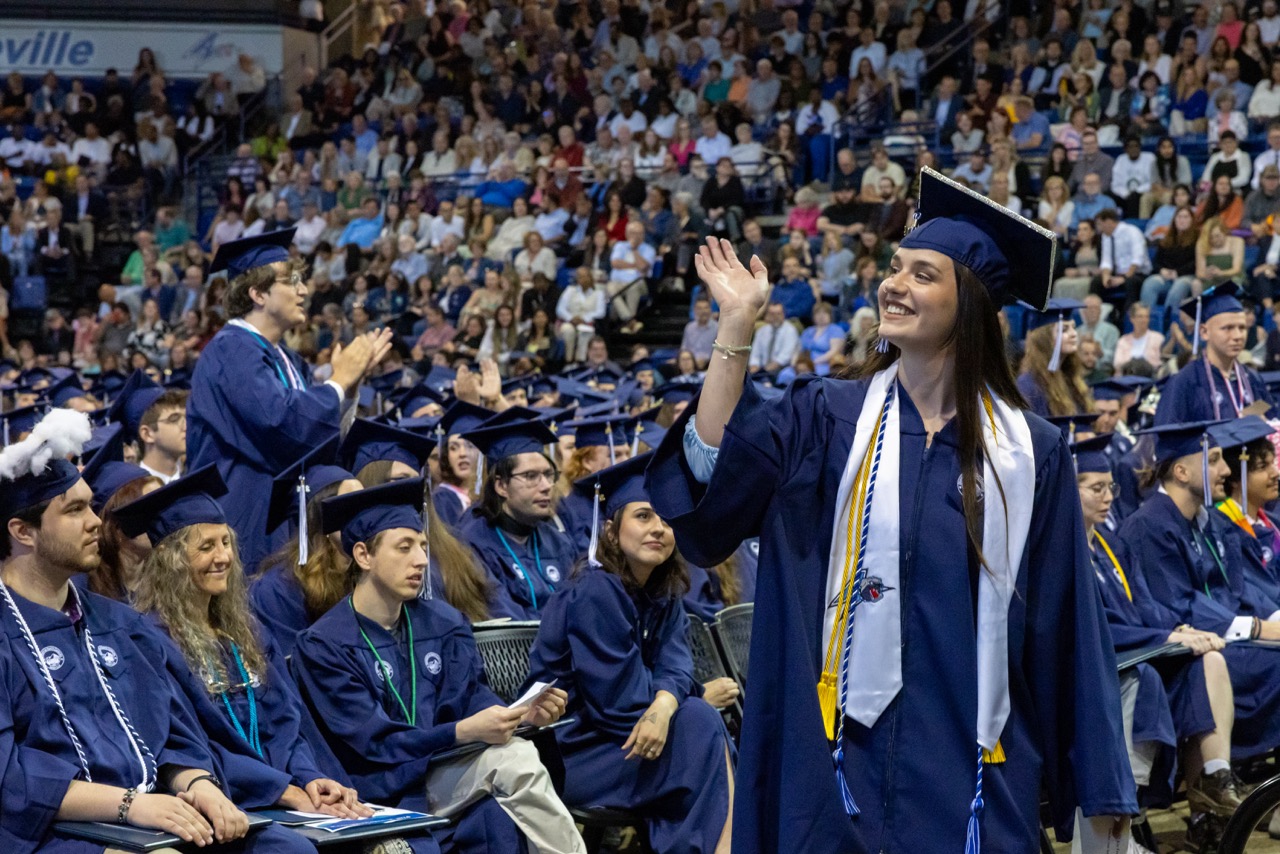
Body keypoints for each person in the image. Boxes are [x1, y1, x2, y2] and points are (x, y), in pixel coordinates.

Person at [647, 169, 1136, 852]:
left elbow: (1066, 626)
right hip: (831, 768)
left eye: (922, 274)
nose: (893, 283)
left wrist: (1102, 785)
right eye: (895, 266)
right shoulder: (826, 419)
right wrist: (737, 326)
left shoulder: (1029, 454)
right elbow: (713, 479)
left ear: (967, 304)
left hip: (971, 777)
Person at [0, 409, 309, 854]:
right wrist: (131, 806)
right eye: (73, 510)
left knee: (283, 848)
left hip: (149, 814)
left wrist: (199, 785)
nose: (94, 521)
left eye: (90, 504)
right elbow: (12, 780)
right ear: (23, 531)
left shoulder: (119, 624)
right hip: (55, 831)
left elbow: (173, 737)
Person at [292, 479, 586, 853]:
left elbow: (472, 698)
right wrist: (462, 732)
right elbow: (373, 743)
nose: (420, 560)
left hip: (443, 769)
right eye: (405, 547)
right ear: (364, 556)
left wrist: (523, 717)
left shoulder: (443, 623)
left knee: (514, 759)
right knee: (514, 761)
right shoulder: (324, 645)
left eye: (423, 546)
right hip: (377, 786)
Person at [118, 467, 370, 819]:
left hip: (283, 793)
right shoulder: (151, 643)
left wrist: (310, 778)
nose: (223, 557)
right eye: (206, 546)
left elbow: (286, 721)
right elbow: (191, 747)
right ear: (171, 562)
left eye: (226, 543)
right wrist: (286, 791)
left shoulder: (246, 631)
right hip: (223, 805)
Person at [529, 454, 734, 852]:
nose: (659, 528)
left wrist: (665, 704)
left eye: (667, 519)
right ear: (609, 531)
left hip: (633, 741)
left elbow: (677, 663)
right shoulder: (594, 590)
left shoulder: (664, 588)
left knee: (699, 721)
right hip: (576, 752)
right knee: (701, 722)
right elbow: (618, 705)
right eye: (643, 516)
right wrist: (683, 697)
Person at [186, 230, 393, 571]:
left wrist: (350, 386)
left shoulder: (288, 359)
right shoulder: (232, 348)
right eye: (291, 281)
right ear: (257, 293)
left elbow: (314, 441)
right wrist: (337, 383)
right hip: (244, 514)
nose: (303, 290)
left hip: (281, 514)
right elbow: (279, 425)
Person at [1072, 434, 1245, 818]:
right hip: (1105, 667)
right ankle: (1126, 817)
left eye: (1110, 487)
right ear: (1069, 492)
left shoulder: (1110, 546)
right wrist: (1164, 636)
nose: (1108, 497)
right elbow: (1095, 626)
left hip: (1143, 648)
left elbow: (1146, 605)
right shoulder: (1063, 554)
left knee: (1208, 660)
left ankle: (1215, 784)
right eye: (1096, 488)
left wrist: (1180, 631)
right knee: (1153, 678)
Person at [456, 416, 580, 620]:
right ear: (501, 486)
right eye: (531, 476)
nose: (547, 486)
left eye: (549, 475)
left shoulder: (558, 542)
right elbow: (503, 618)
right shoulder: (472, 544)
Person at [251, 437, 365, 657]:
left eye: (366, 502)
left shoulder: (369, 575)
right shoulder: (279, 589)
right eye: (351, 504)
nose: (364, 514)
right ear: (321, 518)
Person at [1154, 283, 1274, 423]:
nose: (1237, 336)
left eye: (1242, 328)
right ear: (1204, 332)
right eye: (1227, 328)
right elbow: (1168, 439)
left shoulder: (1252, 380)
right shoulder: (1184, 382)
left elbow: (1273, 422)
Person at [1017, 299, 1095, 417]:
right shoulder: (1029, 385)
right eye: (1064, 330)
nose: (1074, 334)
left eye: (1073, 327)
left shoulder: (1072, 378)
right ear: (1045, 339)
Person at [431, 402, 491, 528]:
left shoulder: (492, 492)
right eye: (454, 448)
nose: (462, 454)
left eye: (470, 446)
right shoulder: (443, 498)